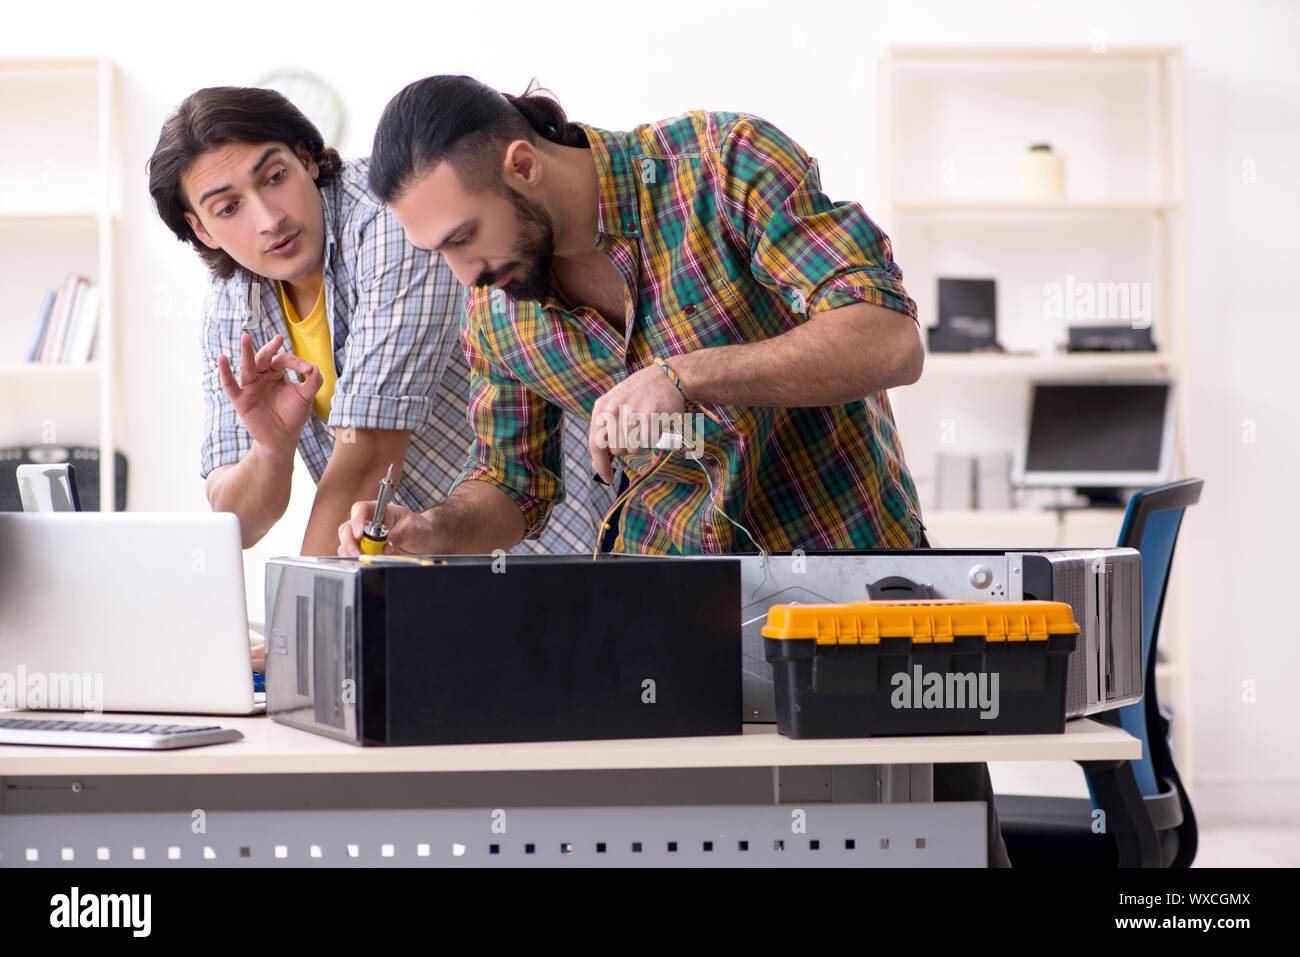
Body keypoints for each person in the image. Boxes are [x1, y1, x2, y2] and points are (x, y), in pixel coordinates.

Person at [339, 75, 1009, 866]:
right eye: (437, 253)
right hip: (669, 632)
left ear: (522, 164)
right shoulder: (499, 315)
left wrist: (686, 375)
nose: (463, 273)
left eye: (461, 238)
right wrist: (431, 529)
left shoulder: (723, 166)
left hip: (855, 595)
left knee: (938, 849)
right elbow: (513, 490)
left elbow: (888, 339)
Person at [146, 86, 610, 563]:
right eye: (228, 208)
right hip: (424, 569)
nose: (269, 219)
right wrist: (270, 449)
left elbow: (368, 453)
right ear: (201, 228)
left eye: (275, 176)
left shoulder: (389, 219)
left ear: (306, 157)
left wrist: (299, 630)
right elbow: (236, 522)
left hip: (549, 539)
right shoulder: (233, 305)